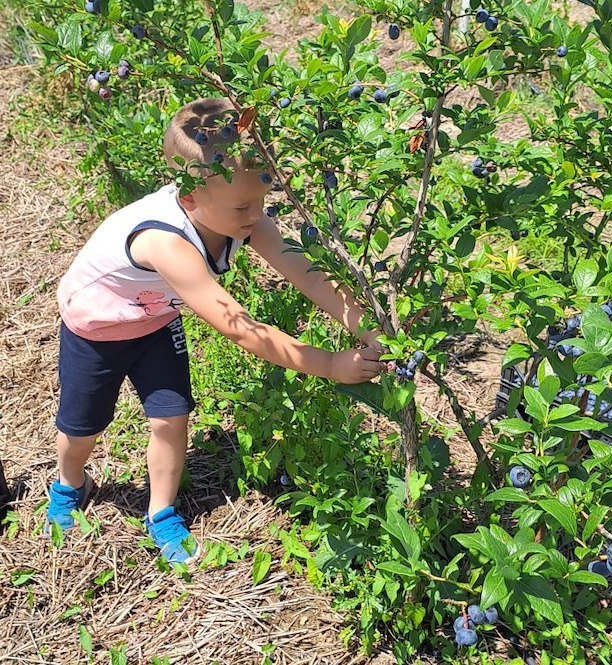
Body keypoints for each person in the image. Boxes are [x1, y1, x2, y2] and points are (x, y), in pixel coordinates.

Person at [48, 97, 386, 564]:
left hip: (154, 321)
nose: (256, 216)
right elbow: (240, 327)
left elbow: (304, 271)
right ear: (190, 197)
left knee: (171, 417)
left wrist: (364, 326)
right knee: (83, 428)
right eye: (245, 207)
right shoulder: (165, 242)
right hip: (96, 329)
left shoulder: (234, 211)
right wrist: (329, 364)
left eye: (262, 200)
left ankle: (160, 513)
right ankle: (70, 482)